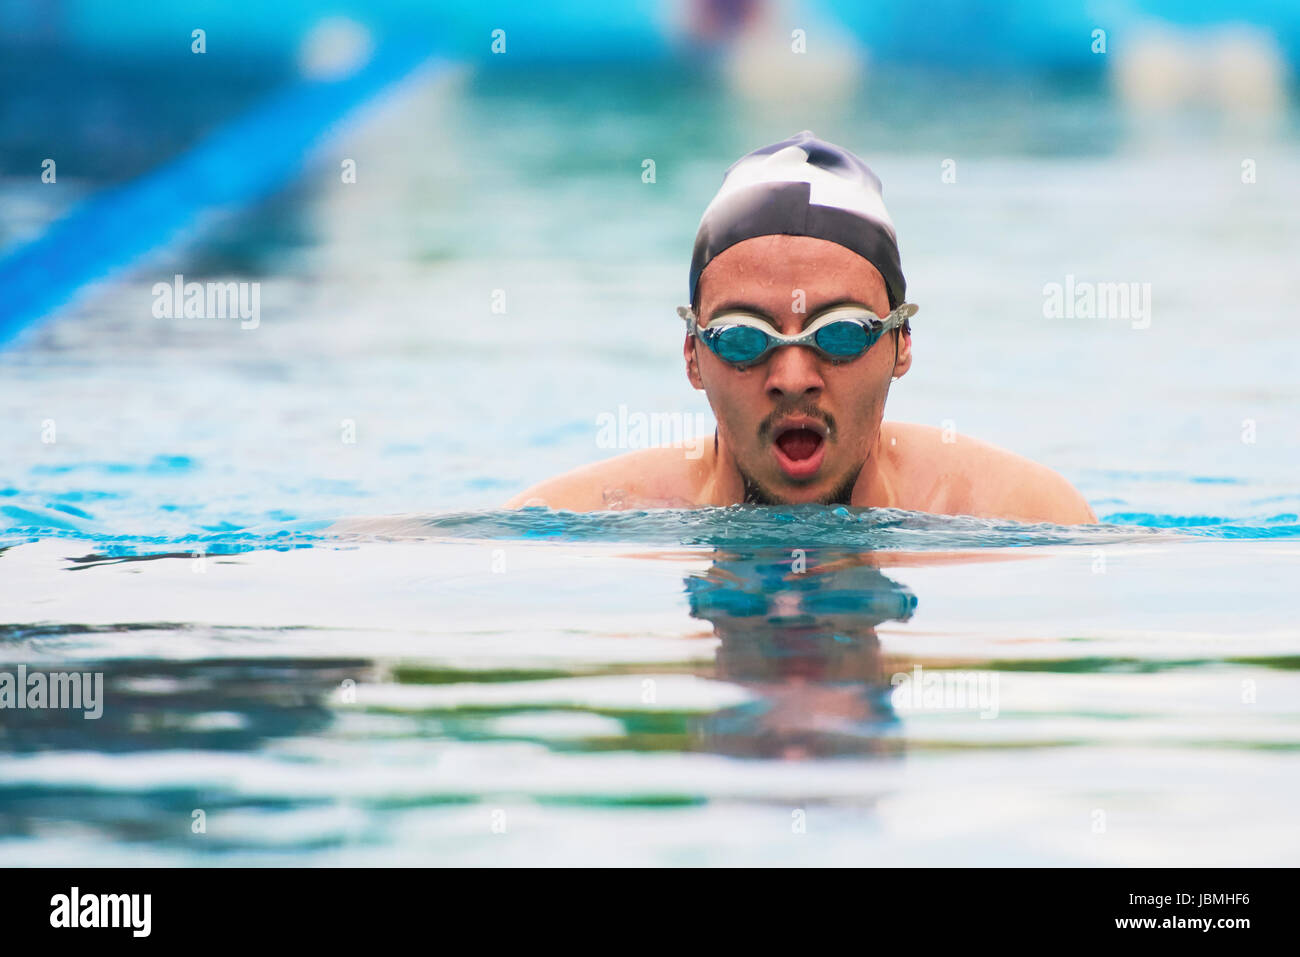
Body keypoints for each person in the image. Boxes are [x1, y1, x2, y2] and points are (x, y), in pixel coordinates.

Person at [506, 131, 1096, 524]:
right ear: (692, 354)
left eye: (840, 333)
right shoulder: (575, 520)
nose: (792, 378)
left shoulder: (1024, 515)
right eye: (744, 337)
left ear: (901, 344)